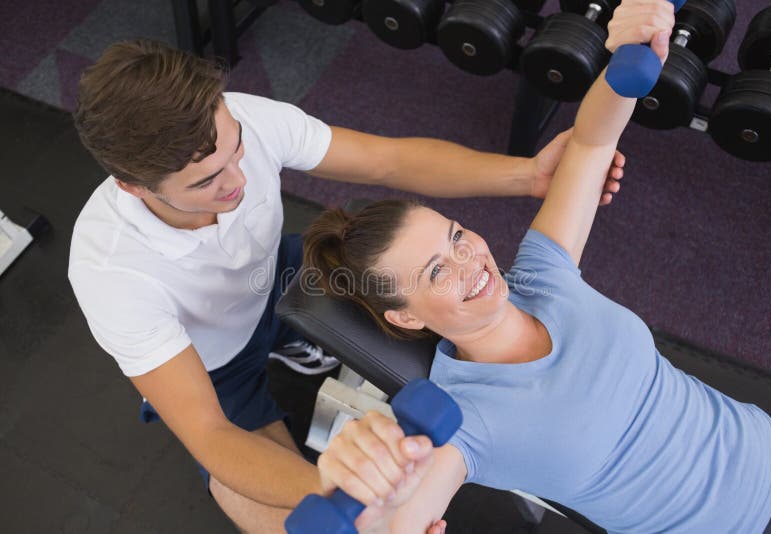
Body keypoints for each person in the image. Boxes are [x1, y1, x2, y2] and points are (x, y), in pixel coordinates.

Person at [66, 36, 626, 533]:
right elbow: (209, 433)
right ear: (134, 188)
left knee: (420, 288)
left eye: (236, 150)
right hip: (212, 361)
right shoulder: (111, 274)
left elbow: (386, 161)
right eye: (208, 180)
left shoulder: (241, 120)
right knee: (252, 497)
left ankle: (302, 343)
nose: (238, 179)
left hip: (284, 274)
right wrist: (349, 488)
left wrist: (528, 175)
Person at [302, 1, 771, 532]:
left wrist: (628, 54)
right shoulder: (461, 419)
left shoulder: (542, 274)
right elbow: (399, 518)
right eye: (436, 272)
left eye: (457, 236)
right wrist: (371, 500)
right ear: (405, 317)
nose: (469, 261)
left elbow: (592, 140)